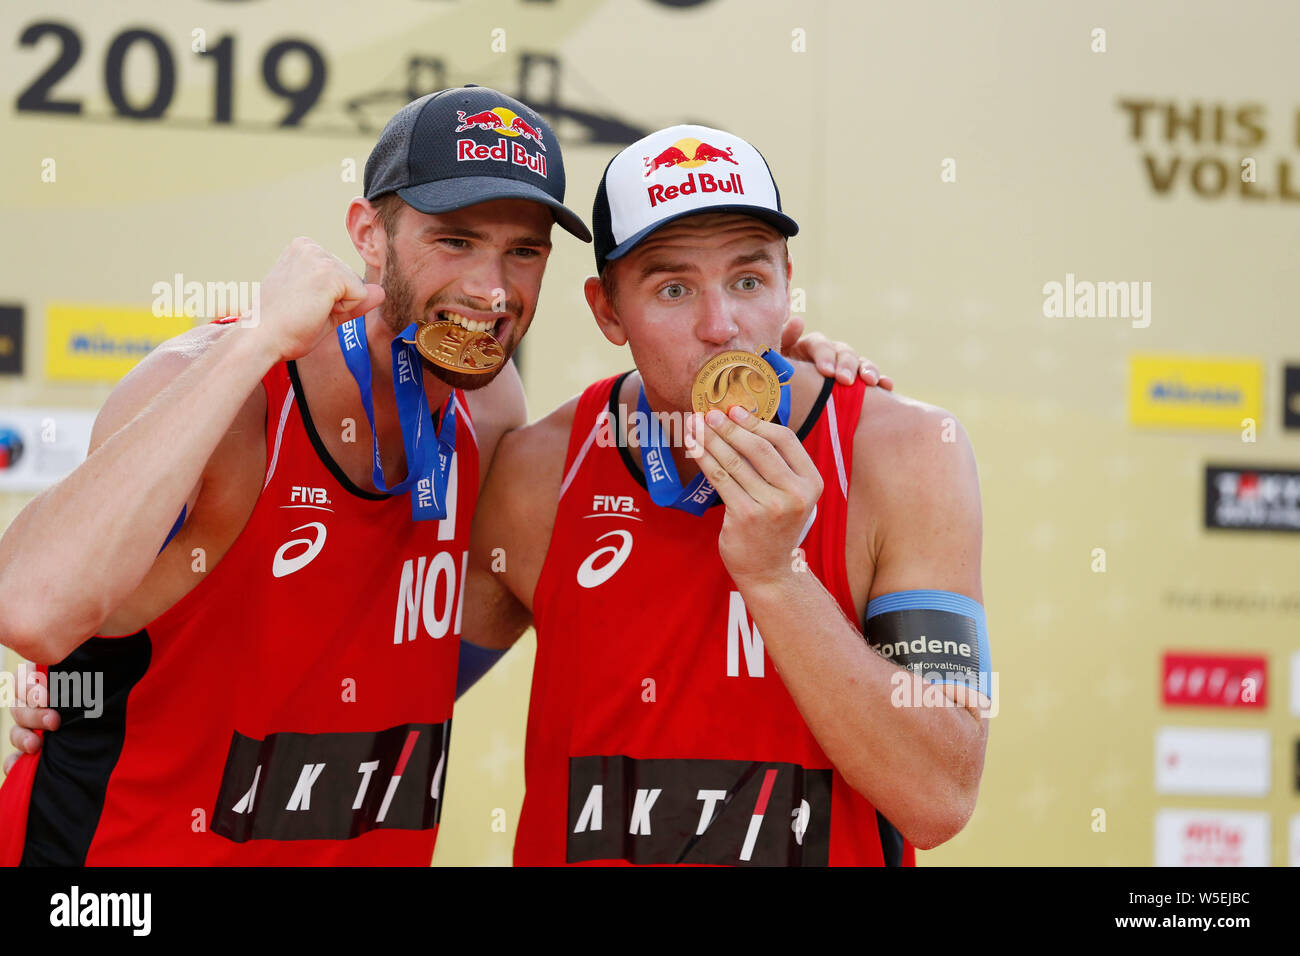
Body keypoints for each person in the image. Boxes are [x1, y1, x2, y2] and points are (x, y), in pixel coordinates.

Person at [0, 90, 883, 865]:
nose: (491, 290)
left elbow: (408, 664)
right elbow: (31, 609)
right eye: (454, 241)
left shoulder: (488, 411)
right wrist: (258, 342)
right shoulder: (225, 388)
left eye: (522, 252)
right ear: (367, 235)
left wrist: (793, 362)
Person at [462, 125, 992, 866]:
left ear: (786, 283)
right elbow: (385, 689)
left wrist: (778, 578)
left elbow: (939, 797)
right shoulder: (540, 470)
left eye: (748, 281)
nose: (723, 328)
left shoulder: (904, 453)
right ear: (607, 311)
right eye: (674, 289)